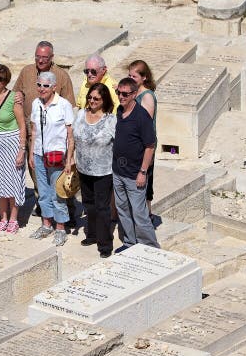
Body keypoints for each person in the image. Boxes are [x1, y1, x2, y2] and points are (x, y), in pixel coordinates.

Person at [13, 41, 76, 220]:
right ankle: (45, 211)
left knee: (59, 180)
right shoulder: (26, 72)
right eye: (37, 57)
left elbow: (69, 107)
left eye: (44, 58)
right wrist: (18, 96)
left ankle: (67, 214)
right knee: (37, 176)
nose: (40, 61)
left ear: (52, 57)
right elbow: (17, 92)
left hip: (56, 139)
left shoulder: (62, 76)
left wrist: (70, 151)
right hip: (33, 134)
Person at [112, 77, 159, 251]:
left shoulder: (141, 116)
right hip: (118, 172)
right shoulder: (119, 111)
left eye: (125, 94)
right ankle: (130, 243)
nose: (121, 96)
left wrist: (143, 172)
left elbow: (150, 146)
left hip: (135, 174)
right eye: (119, 93)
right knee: (123, 209)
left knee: (140, 214)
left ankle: (151, 248)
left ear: (134, 94)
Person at [28, 71, 74, 246]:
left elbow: (70, 135)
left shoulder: (63, 105)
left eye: (46, 86)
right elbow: (34, 131)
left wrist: (69, 159)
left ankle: (60, 227)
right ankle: (46, 224)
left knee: (57, 193)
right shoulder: (35, 103)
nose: (42, 89)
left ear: (54, 87)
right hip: (39, 154)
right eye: (39, 85)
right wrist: (31, 153)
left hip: (57, 155)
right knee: (43, 191)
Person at [73, 83, 116, 258]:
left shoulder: (111, 120)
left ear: (104, 100)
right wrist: (69, 159)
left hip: (103, 171)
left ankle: (105, 244)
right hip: (83, 169)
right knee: (88, 205)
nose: (92, 101)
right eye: (89, 97)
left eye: (96, 98)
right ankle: (92, 234)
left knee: (102, 207)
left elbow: (118, 144)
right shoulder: (80, 114)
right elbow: (72, 137)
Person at [0, 64, 26, 234]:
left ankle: (14, 219)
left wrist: (22, 149)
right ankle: (3, 218)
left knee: (13, 181)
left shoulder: (13, 98)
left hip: (12, 141)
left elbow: (22, 126)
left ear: (6, 81)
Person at [128, 60, 157, 213]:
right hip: (133, 145)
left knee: (144, 183)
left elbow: (145, 124)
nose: (131, 79)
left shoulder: (147, 97)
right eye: (129, 76)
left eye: (134, 76)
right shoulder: (135, 93)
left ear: (144, 77)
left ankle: (147, 216)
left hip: (144, 146)